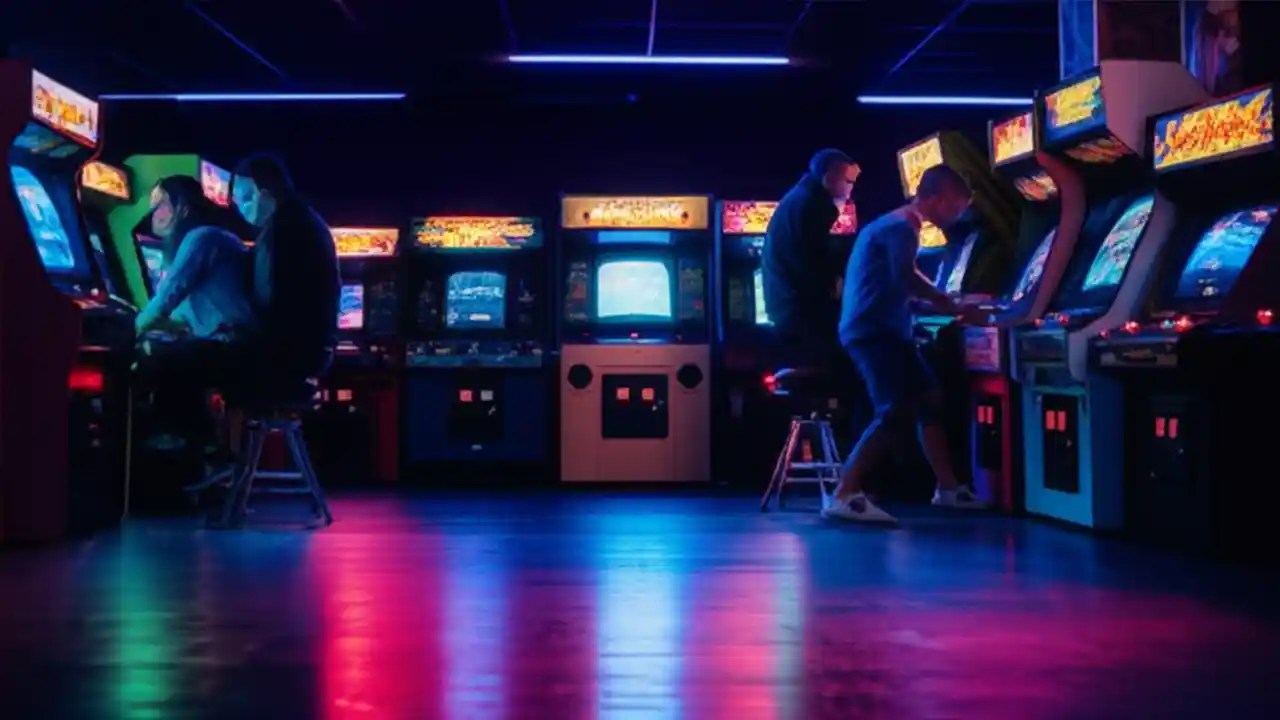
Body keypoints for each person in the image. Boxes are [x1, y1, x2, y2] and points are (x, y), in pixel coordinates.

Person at [825, 164, 987, 523]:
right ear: (939, 198)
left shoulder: (892, 223)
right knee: (893, 411)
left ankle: (947, 487)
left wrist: (943, 303)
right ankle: (844, 492)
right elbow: (905, 276)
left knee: (929, 399)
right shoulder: (905, 226)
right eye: (957, 206)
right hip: (874, 331)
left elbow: (895, 286)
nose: (959, 215)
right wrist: (953, 303)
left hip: (880, 327)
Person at [133, 175, 258, 451]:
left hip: (236, 348)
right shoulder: (217, 236)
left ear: (183, 208)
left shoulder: (201, 238)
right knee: (171, 350)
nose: (153, 213)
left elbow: (165, 300)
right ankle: (199, 450)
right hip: (241, 345)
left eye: (161, 204)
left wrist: (131, 327)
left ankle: (177, 447)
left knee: (155, 355)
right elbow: (186, 318)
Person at [231, 153, 340, 392]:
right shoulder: (304, 218)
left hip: (290, 353)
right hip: (311, 350)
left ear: (267, 191)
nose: (242, 210)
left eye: (247, 198)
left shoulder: (281, 229)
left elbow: (267, 300)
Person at [762, 148, 861, 364]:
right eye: (849, 182)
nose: (850, 191)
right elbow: (817, 263)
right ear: (829, 177)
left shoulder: (798, 197)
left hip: (785, 308)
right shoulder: (815, 204)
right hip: (801, 315)